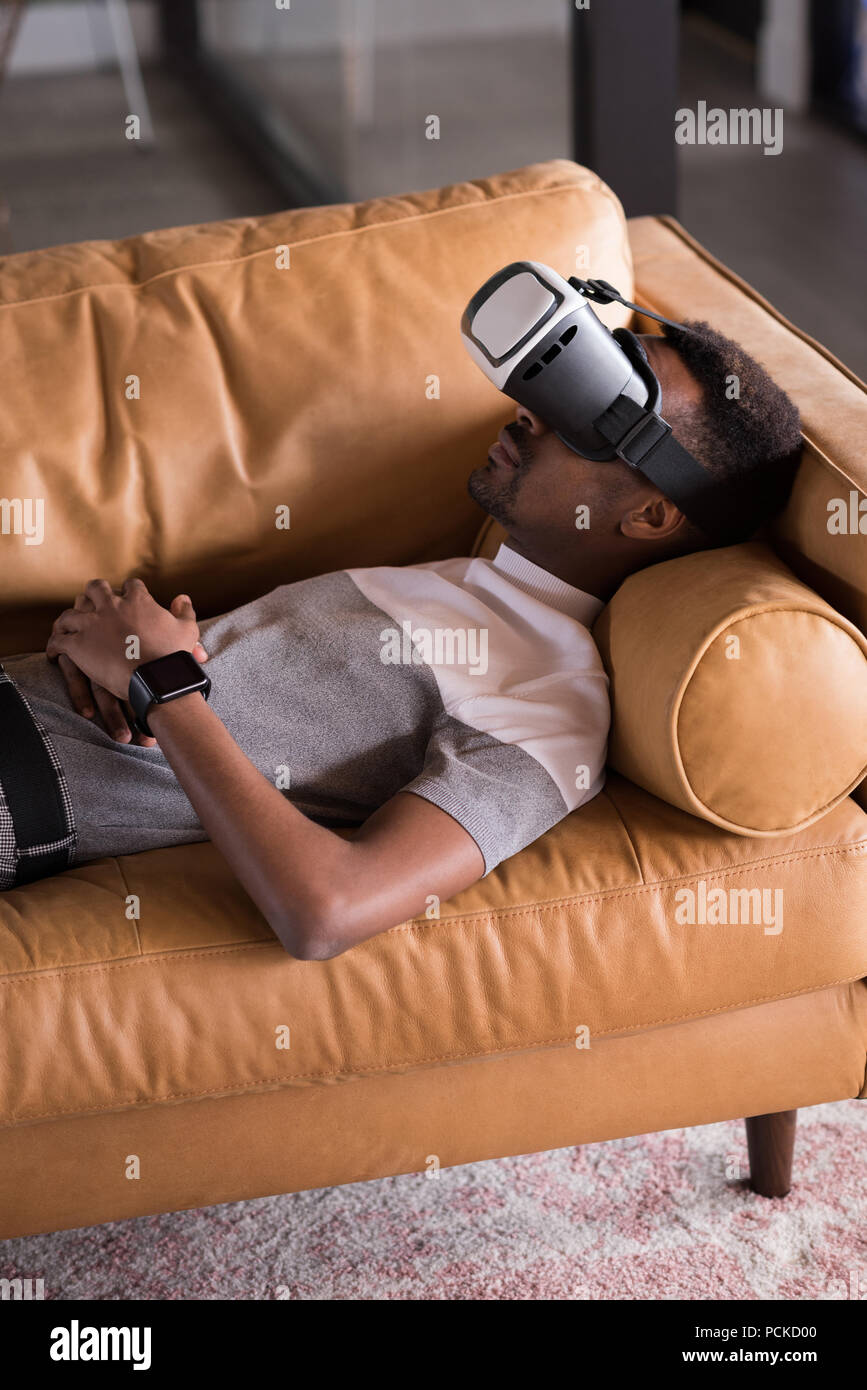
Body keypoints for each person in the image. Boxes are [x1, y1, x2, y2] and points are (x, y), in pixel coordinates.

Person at [1, 320, 800, 959]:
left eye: (594, 417)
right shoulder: (450, 579)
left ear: (653, 515)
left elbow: (327, 911)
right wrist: (107, 634)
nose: (528, 411)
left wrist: (163, 680)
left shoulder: (553, 701)